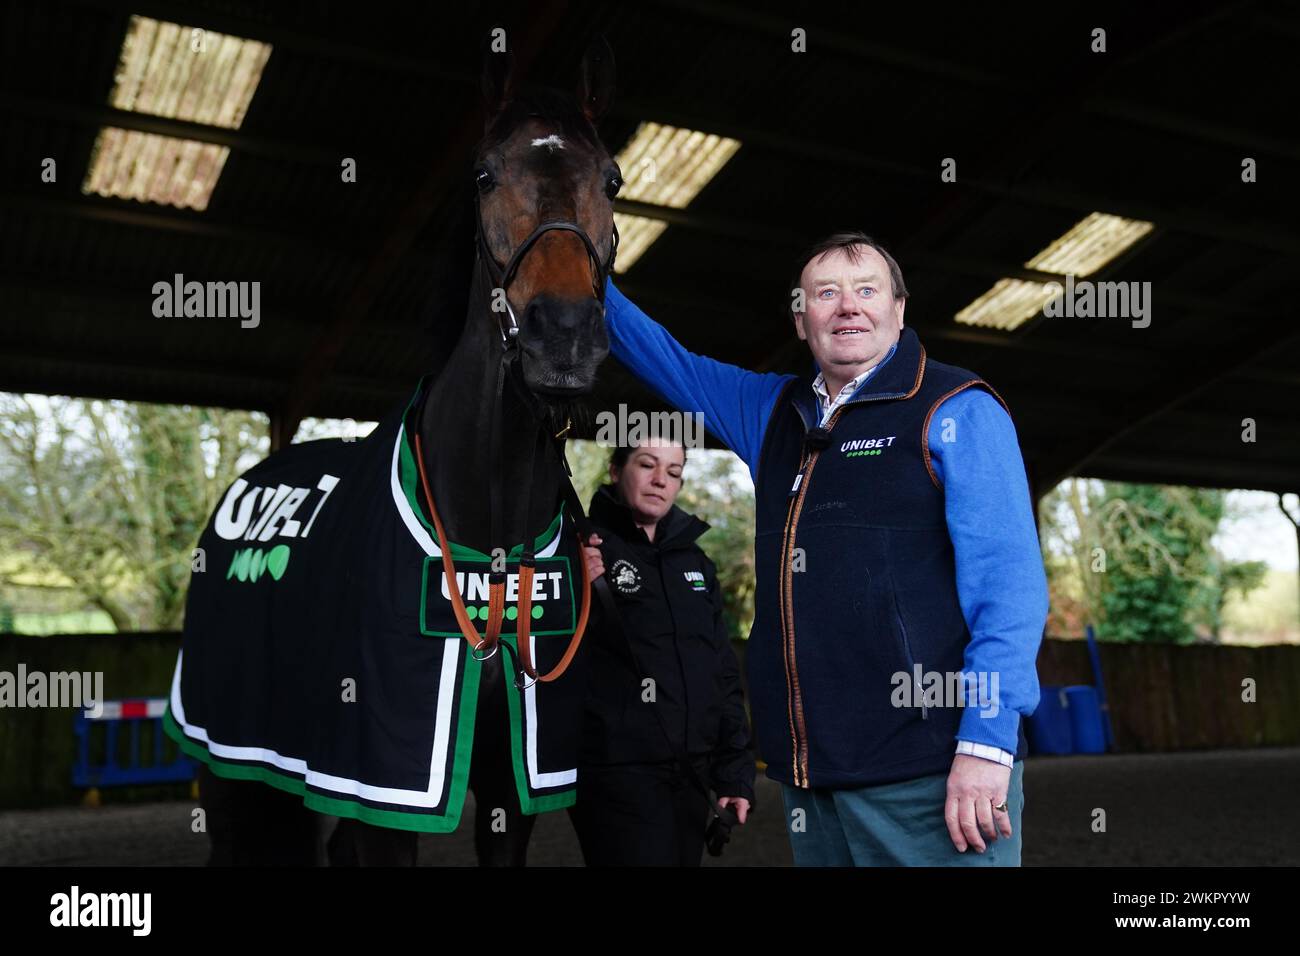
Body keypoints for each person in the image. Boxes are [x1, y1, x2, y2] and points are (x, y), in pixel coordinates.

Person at [587, 232, 1049, 866]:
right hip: (813, 779)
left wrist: (987, 744)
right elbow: (668, 359)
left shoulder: (956, 409)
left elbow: (1011, 592)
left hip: (932, 773)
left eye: (866, 291)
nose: (847, 307)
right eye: (825, 293)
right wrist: (580, 263)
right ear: (801, 318)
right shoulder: (773, 412)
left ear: (899, 310)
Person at [571, 439, 755, 865]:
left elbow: (723, 672)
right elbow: (542, 654)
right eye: (647, 465)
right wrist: (572, 592)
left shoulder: (696, 562)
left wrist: (734, 773)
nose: (660, 480)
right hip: (618, 772)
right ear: (616, 470)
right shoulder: (582, 551)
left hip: (691, 773)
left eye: (673, 472)